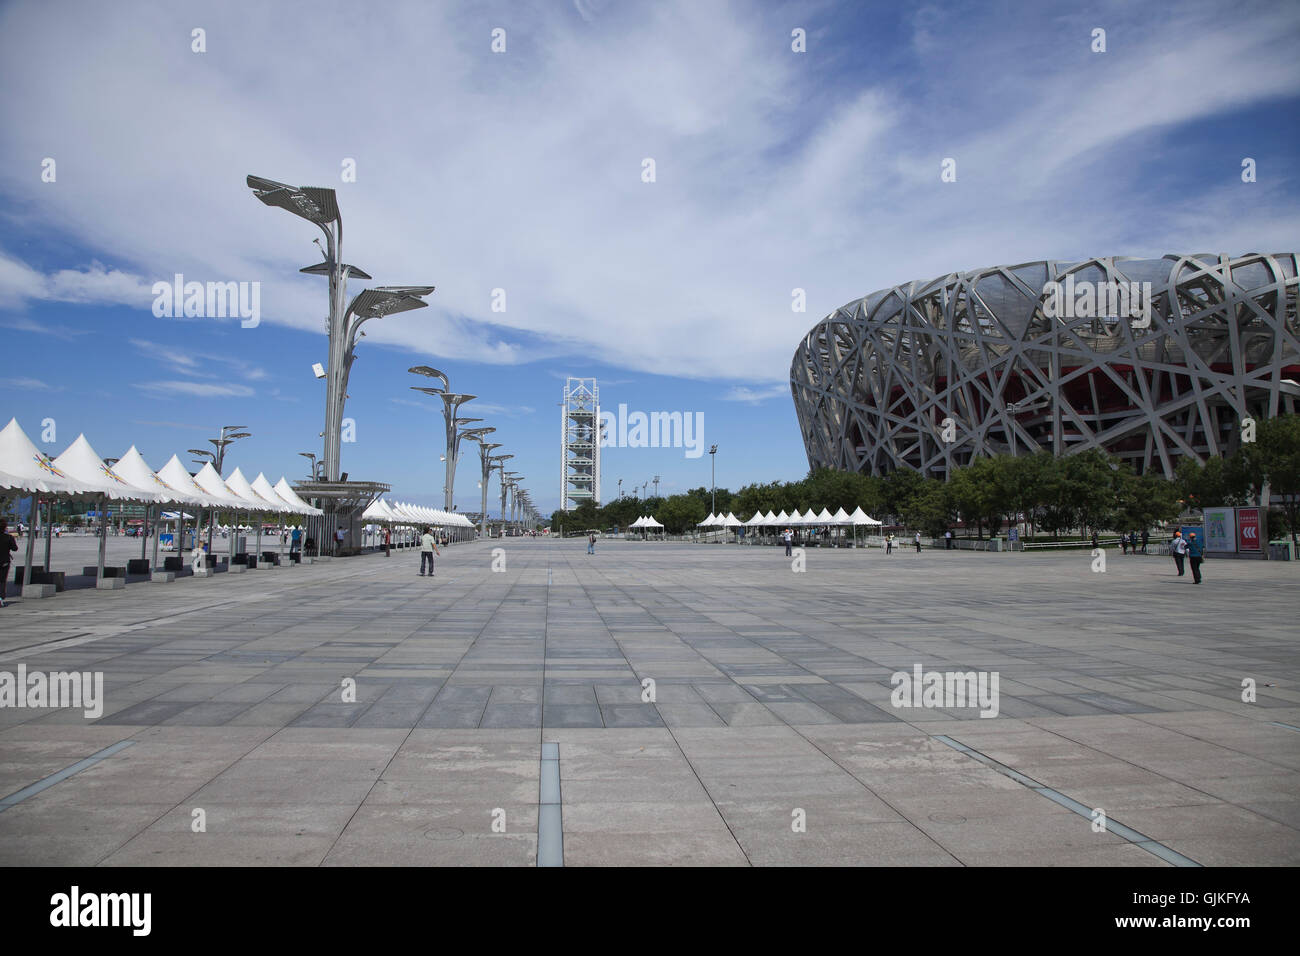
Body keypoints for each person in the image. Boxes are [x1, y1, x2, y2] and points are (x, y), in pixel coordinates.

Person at [0, 519, 18, 607]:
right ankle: (0, 598)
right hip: (4, 561)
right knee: (2, 580)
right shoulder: (9, 537)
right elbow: (15, 548)